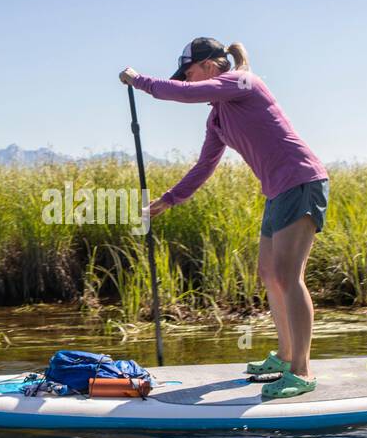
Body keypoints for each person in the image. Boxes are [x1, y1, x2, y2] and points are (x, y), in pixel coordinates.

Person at [119, 38, 329, 399]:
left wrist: (139, 80)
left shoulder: (242, 83)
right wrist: (170, 200)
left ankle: (302, 371)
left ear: (212, 65)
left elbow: (182, 93)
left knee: (288, 275)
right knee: (268, 273)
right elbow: (204, 166)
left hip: (302, 179)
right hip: (277, 192)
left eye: (191, 72)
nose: (188, 79)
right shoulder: (217, 117)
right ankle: (285, 355)